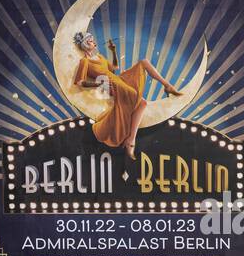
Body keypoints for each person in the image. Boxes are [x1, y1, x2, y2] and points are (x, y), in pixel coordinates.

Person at [71, 30, 182, 159]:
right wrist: (99, 84)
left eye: (92, 40)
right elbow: (80, 82)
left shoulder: (100, 57)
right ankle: (131, 142)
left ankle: (167, 86)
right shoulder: (85, 62)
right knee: (139, 99)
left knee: (144, 64)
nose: (93, 42)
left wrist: (113, 51)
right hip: (114, 86)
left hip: (120, 79)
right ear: (84, 45)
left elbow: (114, 68)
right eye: (89, 41)